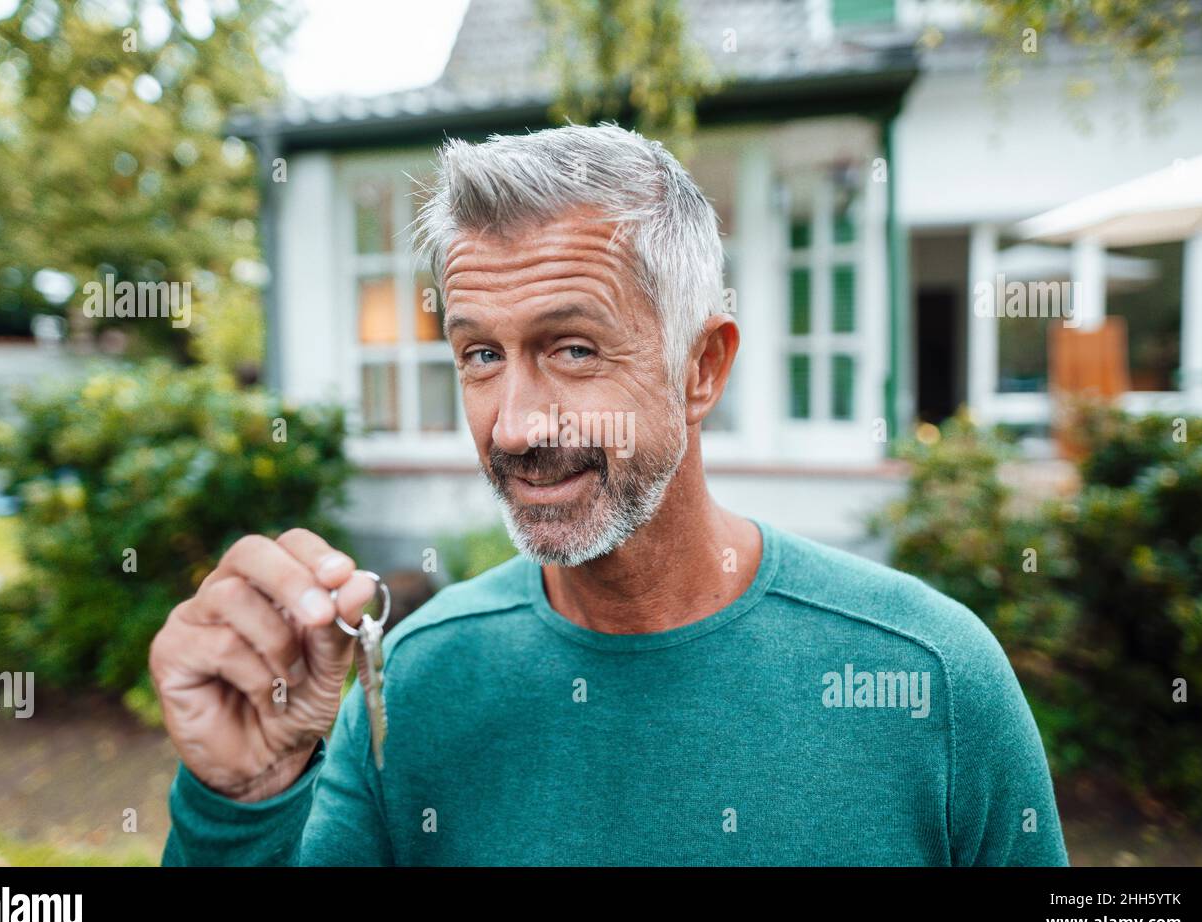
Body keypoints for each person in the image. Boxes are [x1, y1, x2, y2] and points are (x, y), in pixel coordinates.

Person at [153, 123, 1069, 866]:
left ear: (701, 367)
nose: (515, 426)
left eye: (573, 349)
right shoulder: (418, 683)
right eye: (480, 354)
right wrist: (243, 804)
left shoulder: (933, 676)